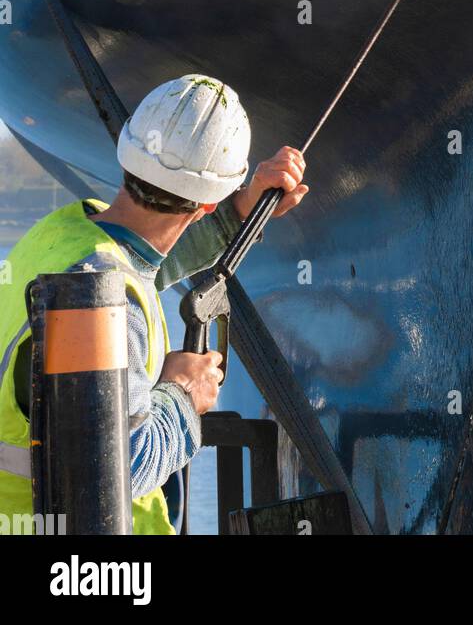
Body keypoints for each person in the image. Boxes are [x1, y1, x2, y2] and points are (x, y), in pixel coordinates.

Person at [0, 75, 307, 534]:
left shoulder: (67, 237)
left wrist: (242, 210)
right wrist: (184, 395)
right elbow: (119, 467)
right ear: (207, 203)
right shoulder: (100, 295)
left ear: (128, 158)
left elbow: (145, 266)